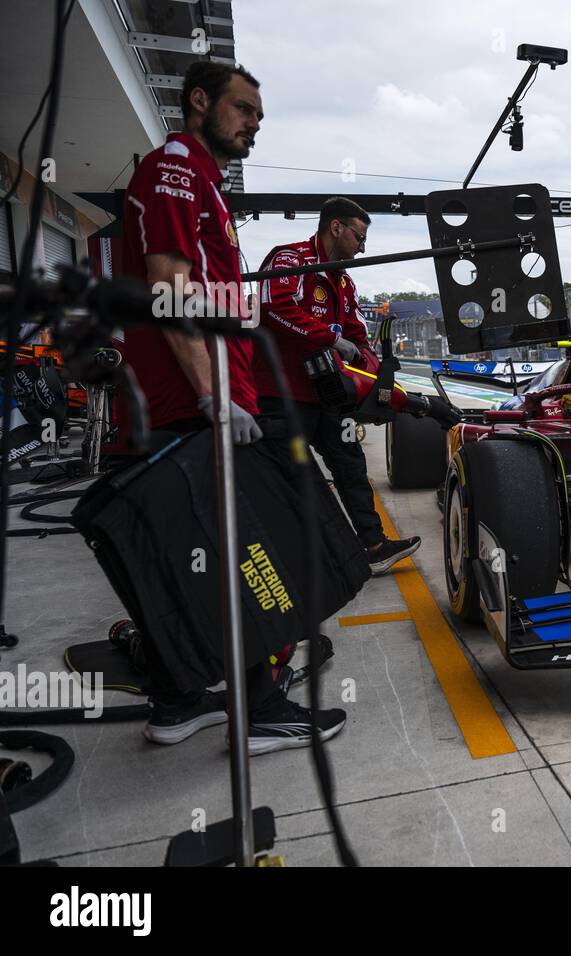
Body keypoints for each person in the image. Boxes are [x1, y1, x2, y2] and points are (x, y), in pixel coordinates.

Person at [117, 61, 346, 753]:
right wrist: (215, 398)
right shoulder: (177, 171)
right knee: (247, 554)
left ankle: (179, 700)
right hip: (195, 403)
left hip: (190, 401)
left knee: (190, 557)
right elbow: (171, 289)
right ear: (199, 101)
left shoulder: (200, 182)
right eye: (243, 109)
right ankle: (263, 708)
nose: (253, 123)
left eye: (257, 115)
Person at [253, 197, 421, 574]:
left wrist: (375, 372)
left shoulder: (344, 281)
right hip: (281, 394)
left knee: (350, 465)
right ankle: (285, 560)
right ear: (336, 228)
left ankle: (375, 546)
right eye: (359, 237)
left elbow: (358, 336)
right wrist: (330, 338)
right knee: (290, 476)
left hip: (329, 394)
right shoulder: (289, 259)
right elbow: (274, 307)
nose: (363, 247)